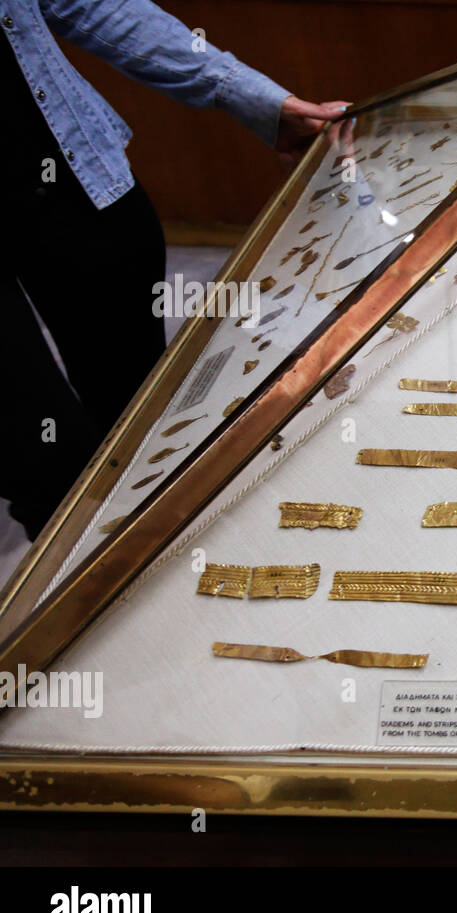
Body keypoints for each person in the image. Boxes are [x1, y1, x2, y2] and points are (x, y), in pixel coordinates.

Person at [1, 2, 346, 542]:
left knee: (146, 425)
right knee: (49, 470)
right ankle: (98, 617)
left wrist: (248, 95)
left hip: (74, 176)